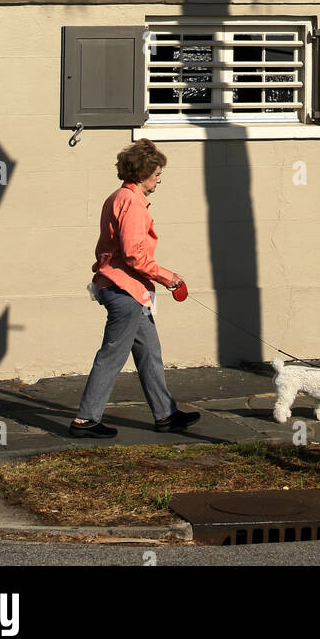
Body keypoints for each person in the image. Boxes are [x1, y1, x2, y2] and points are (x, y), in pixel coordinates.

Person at [70, 139, 200, 437]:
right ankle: (85, 420)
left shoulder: (118, 198)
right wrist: (169, 278)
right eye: (156, 172)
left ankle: (165, 414)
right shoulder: (131, 203)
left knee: (149, 353)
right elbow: (134, 255)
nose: (159, 177)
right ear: (142, 173)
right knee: (112, 354)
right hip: (124, 291)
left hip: (128, 290)